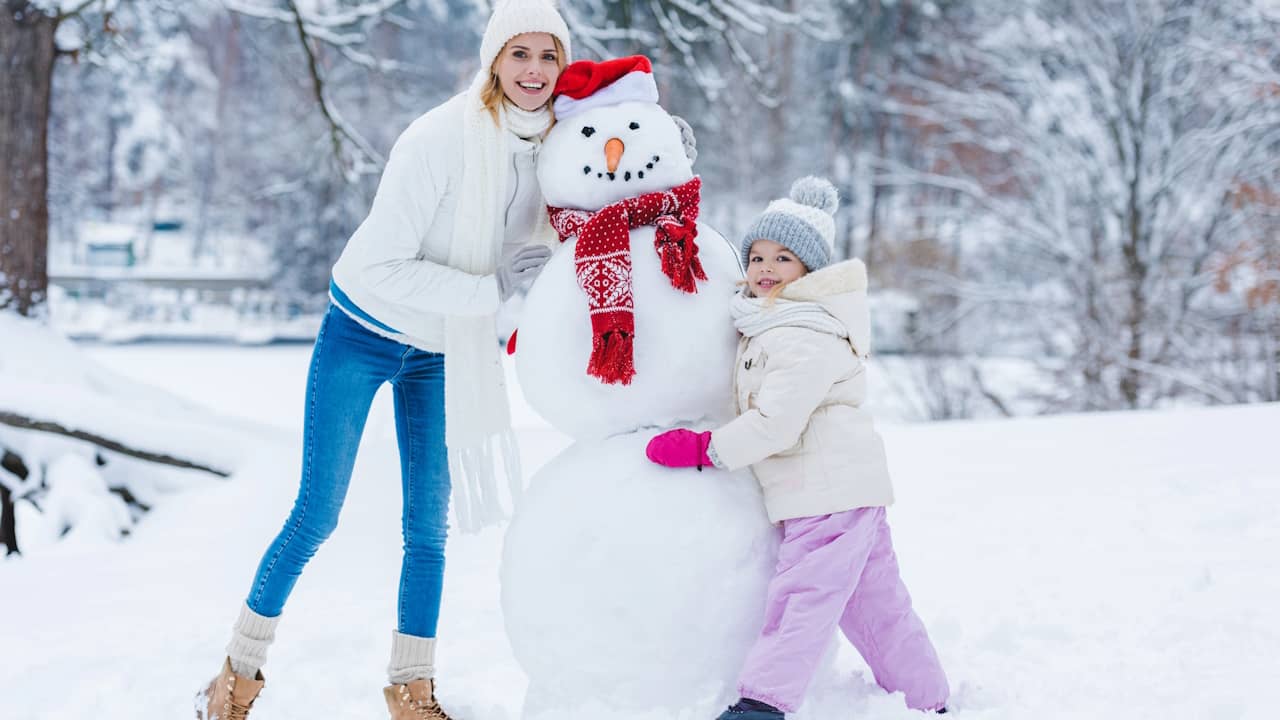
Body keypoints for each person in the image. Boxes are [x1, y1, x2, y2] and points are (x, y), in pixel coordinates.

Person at [194, 3, 571, 719]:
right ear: (494, 60)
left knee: (428, 528)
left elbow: (547, 239)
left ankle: (411, 690)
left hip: (438, 349)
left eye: (548, 56)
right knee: (317, 513)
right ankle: (234, 680)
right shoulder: (438, 140)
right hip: (363, 329)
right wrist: (492, 293)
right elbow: (385, 264)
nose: (533, 71)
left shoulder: (552, 150)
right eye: (518, 54)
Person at [645, 177, 950, 718]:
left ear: (809, 269)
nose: (765, 268)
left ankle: (764, 702)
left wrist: (705, 448)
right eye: (757, 256)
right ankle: (927, 699)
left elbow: (775, 423)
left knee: (802, 599)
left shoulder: (804, 332)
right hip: (841, 490)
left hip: (826, 494)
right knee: (875, 604)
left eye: (783, 258)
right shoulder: (771, 324)